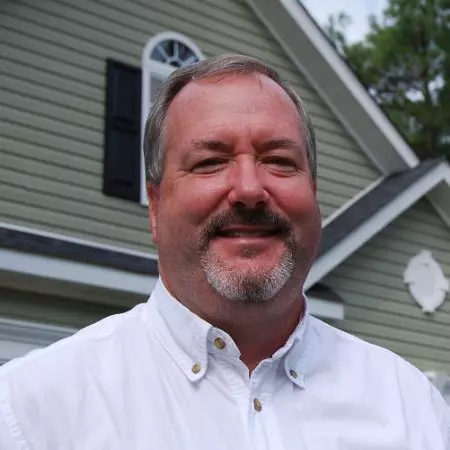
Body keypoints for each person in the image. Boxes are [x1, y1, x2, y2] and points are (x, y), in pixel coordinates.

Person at [0, 54, 448, 449]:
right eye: (210, 162)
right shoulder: (31, 413)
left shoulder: (412, 408)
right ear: (155, 208)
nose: (250, 190)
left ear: (313, 194)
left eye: (279, 160)